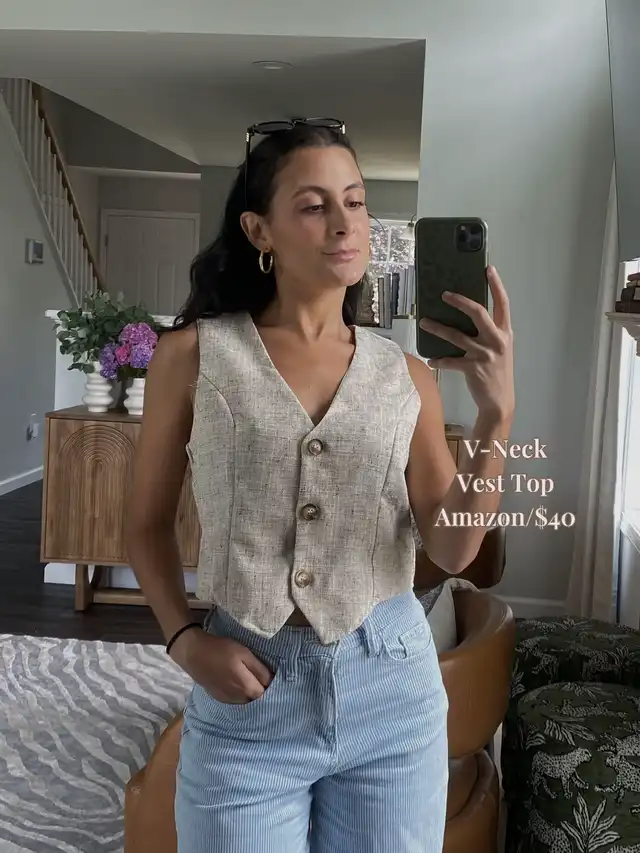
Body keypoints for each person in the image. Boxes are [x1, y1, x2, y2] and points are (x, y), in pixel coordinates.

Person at [125, 118, 515, 853]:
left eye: (356, 201)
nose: (345, 223)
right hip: (247, 693)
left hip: (392, 695)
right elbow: (145, 523)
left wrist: (497, 414)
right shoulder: (192, 356)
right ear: (259, 230)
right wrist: (182, 638)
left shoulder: (408, 375)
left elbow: (454, 550)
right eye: (313, 205)